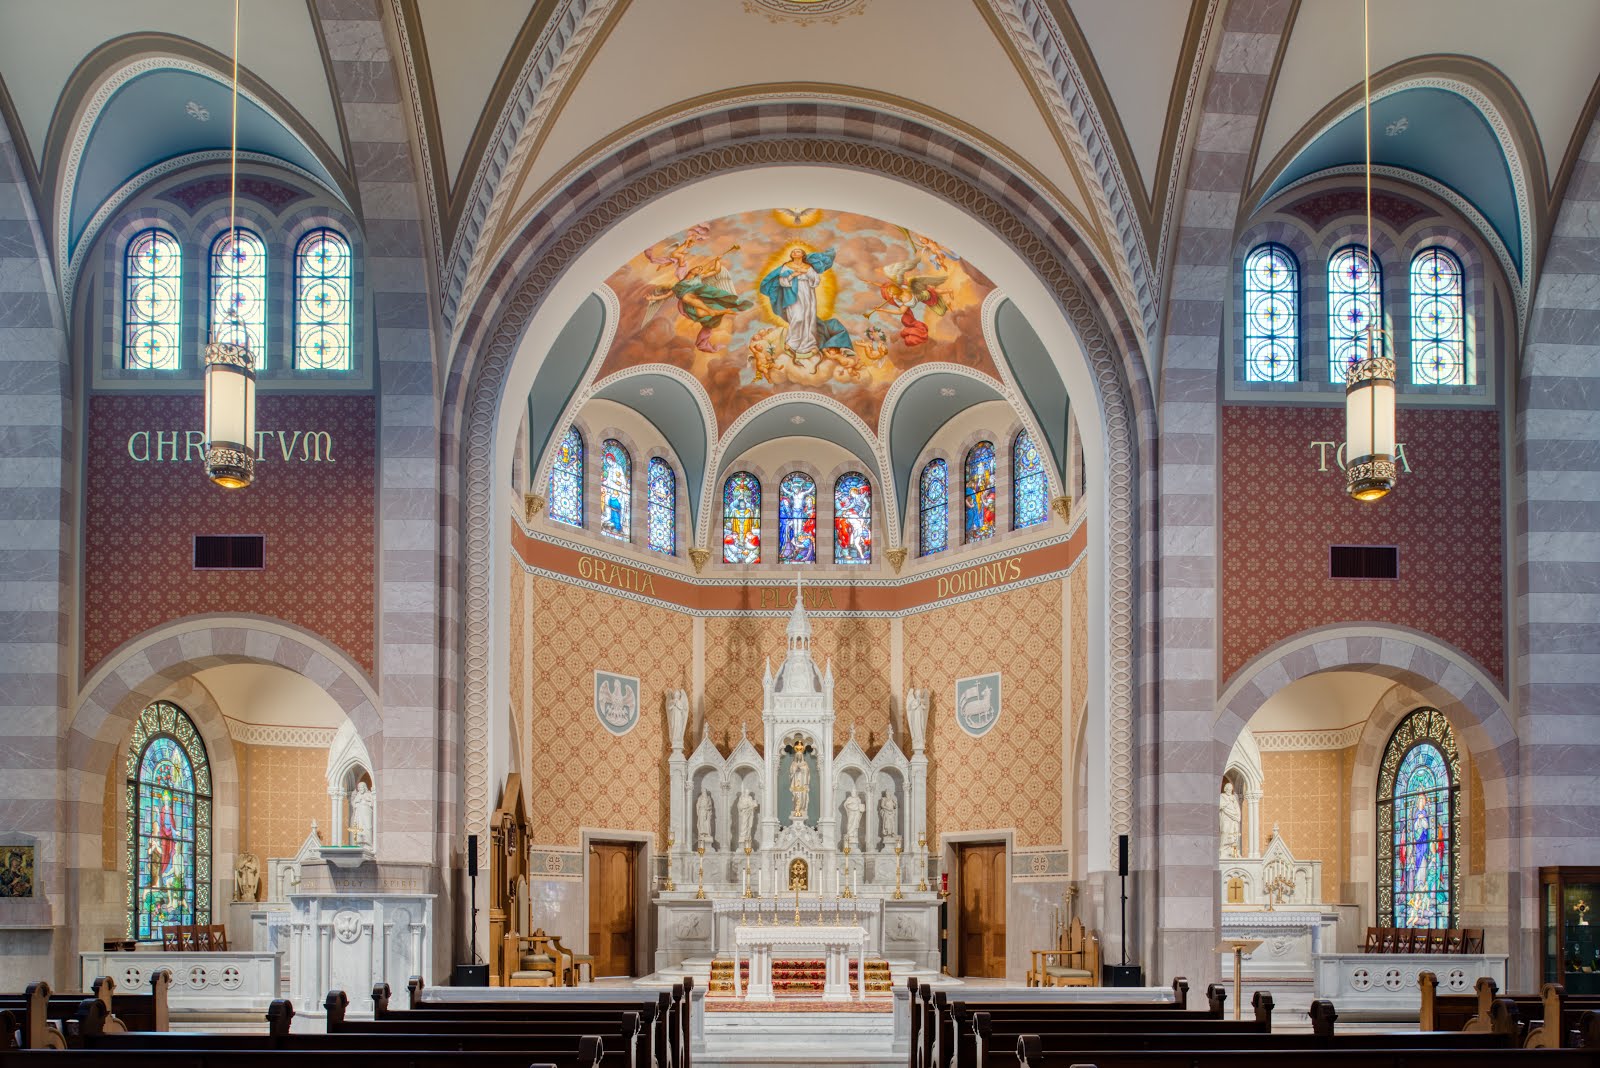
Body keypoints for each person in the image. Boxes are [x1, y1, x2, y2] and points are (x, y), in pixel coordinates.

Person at [759, 247, 855, 358]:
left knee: (808, 317)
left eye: (798, 251)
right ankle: (792, 343)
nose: (795, 252)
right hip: (792, 295)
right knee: (797, 317)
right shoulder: (787, 266)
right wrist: (792, 275)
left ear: (803, 255)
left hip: (808, 294)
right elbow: (782, 282)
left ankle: (808, 344)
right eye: (793, 251)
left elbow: (816, 281)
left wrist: (807, 273)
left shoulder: (808, 267)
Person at [788, 742, 811, 822]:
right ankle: (796, 810)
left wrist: (802, 769)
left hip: (803, 785)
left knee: (803, 798)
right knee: (795, 798)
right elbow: (791, 773)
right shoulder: (793, 764)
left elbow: (807, 773)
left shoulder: (805, 764)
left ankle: (801, 810)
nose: (799, 757)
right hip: (795, 786)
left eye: (800, 756)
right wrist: (795, 769)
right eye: (797, 756)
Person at [1218, 781, 1242, 858]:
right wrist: (1227, 803)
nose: (1229, 790)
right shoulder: (1222, 796)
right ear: (1225, 789)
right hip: (1226, 817)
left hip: (1233, 818)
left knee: (1234, 833)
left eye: (1231, 789)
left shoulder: (1233, 797)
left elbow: (1237, 808)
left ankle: (1234, 850)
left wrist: (1237, 815)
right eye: (1228, 788)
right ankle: (1223, 850)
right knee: (1225, 832)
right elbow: (1220, 806)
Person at [349, 780, 375, 847]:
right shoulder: (358, 795)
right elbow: (354, 805)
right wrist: (356, 801)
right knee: (360, 827)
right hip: (359, 815)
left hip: (367, 813)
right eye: (359, 788)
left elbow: (373, 804)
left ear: (365, 787)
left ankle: (369, 843)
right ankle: (360, 842)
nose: (360, 789)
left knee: (368, 827)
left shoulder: (369, 794)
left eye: (361, 787)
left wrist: (368, 800)